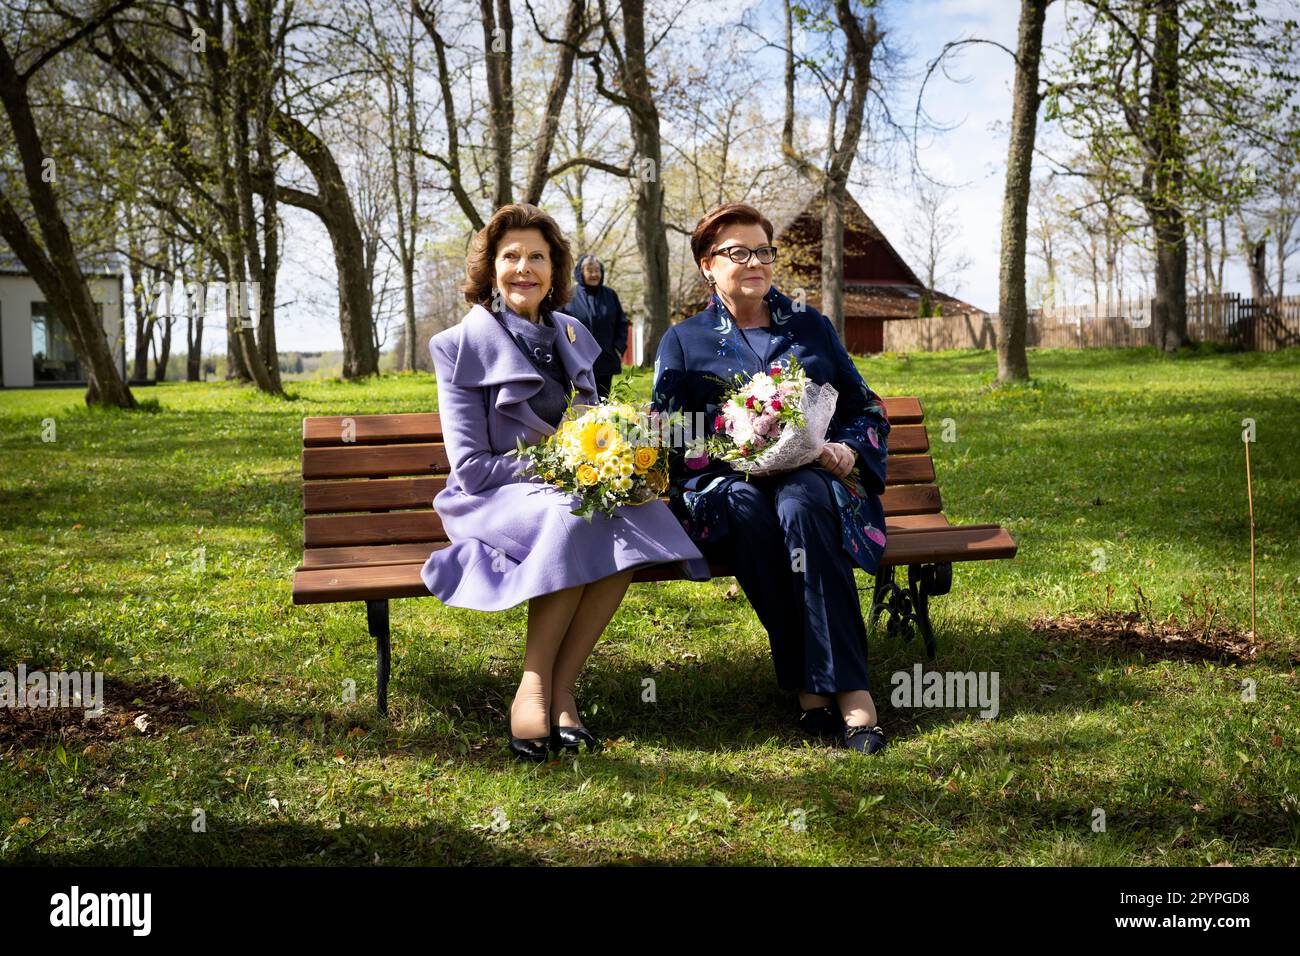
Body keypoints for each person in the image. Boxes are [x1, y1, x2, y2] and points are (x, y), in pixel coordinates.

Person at [421, 203, 710, 762]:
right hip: (491, 498)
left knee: (631, 510)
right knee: (574, 515)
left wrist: (614, 451)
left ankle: (564, 688)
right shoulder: (457, 345)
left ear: (554, 271)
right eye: (511, 256)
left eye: (537, 257)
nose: (523, 268)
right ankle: (533, 687)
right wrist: (564, 462)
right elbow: (472, 468)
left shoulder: (572, 333)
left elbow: (591, 426)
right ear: (490, 268)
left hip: (567, 489)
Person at [650, 202, 893, 755]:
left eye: (763, 251)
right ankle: (810, 676)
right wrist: (729, 449)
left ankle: (848, 689)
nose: (754, 262)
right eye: (738, 252)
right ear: (708, 264)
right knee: (750, 509)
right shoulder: (684, 341)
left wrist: (848, 450)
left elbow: (866, 408)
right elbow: (668, 435)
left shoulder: (810, 328)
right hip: (727, 485)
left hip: (813, 476)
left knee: (800, 503)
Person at [565, 254, 630, 399]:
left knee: (603, 402)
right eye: (590, 270)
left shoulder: (610, 295)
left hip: (605, 359)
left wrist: (618, 348)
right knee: (579, 403)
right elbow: (558, 324)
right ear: (580, 272)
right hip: (577, 360)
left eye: (597, 270)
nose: (594, 274)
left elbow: (622, 323)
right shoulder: (568, 295)